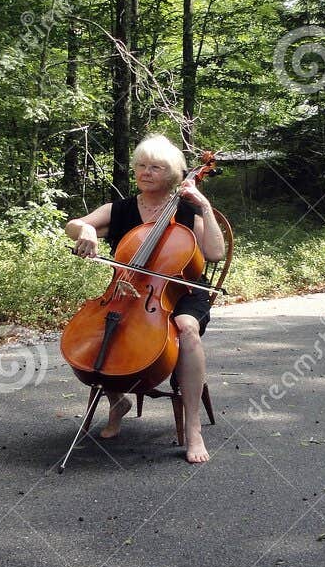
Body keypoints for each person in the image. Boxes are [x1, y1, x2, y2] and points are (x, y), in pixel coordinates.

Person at [64, 133, 226, 464]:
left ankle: (193, 428)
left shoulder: (186, 210)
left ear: (173, 173)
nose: (145, 172)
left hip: (183, 292)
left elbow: (214, 252)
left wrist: (205, 207)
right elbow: (74, 225)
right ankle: (116, 401)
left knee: (186, 328)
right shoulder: (119, 209)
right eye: (140, 165)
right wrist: (88, 232)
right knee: (107, 331)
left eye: (155, 167)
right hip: (125, 291)